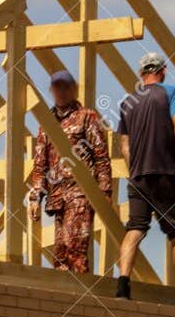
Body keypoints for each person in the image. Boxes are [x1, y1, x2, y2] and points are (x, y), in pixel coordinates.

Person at [114, 52, 175, 307]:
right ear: (163, 70)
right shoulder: (171, 93)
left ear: (141, 74)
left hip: (138, 175)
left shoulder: (128, 102)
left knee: (135, 228)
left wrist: (136, 167)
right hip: (165, 173)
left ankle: (122, 287)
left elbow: (124, 145)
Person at [27, 69, 113, 273]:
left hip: (81, 193)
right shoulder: (46, 122)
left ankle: (80, 290)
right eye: (57, 87)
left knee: (75, 248)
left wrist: (105, 192)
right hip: (57, 197)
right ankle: (63, 292)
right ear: (51, 90)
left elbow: (101, 157)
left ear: (73, 89)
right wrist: (35, 197)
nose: (61, 92)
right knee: (61, 253)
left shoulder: (86, 117)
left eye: (66, 87)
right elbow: (40, 164)